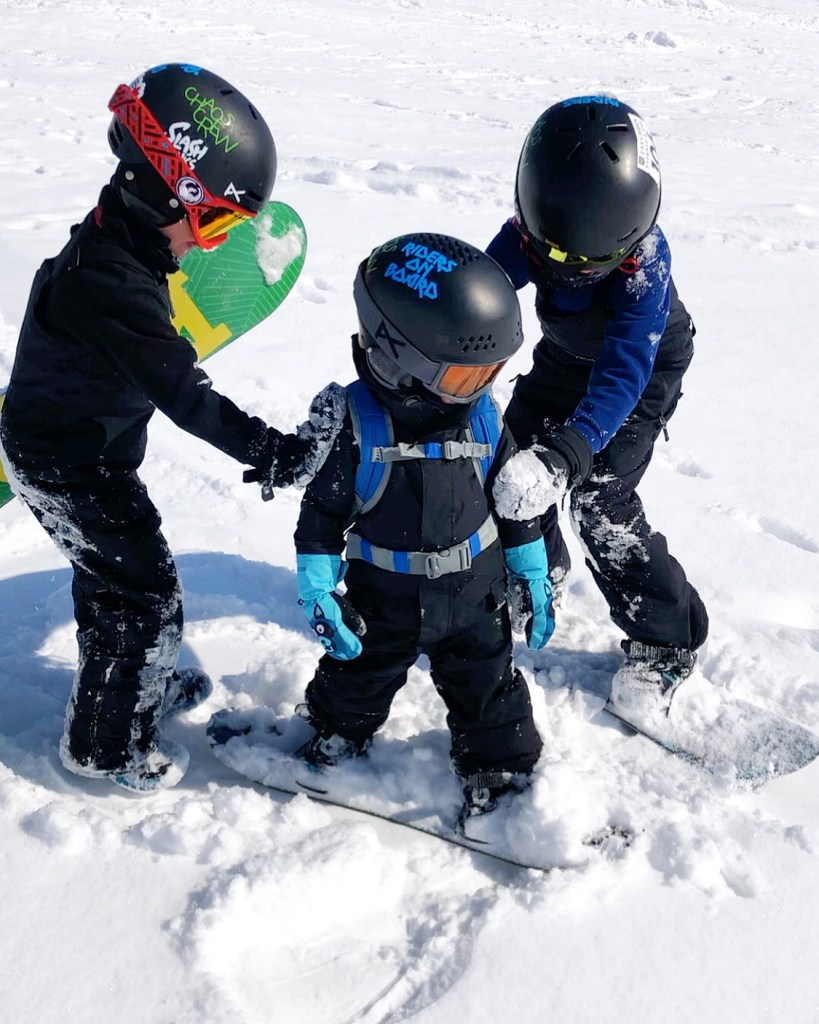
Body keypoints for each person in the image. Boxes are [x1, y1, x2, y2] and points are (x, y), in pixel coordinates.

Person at [0, 64, 344, 792]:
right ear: (165, 188)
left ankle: (128, 694)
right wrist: (273, 452)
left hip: (80, 454)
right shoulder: (111, 286)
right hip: (69, 466)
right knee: (143, 597)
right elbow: (185, 395)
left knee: (115, 583)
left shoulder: (116, 245)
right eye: (213, 220)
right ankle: (106, 746)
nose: (214, 245)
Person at [292, 232, 554, 821]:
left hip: (474, 598)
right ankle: (335, 733)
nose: (482, 389)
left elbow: (514, 499)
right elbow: (322, 517)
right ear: (398, 360)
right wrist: (317, 585)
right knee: (355, 677)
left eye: (491, 372)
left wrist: (531, 568)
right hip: (383, 599)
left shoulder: (483, 418)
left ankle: (501, 769)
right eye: (466, 376)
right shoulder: (355, 424)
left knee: (491, 691)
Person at [486, 95, 709, 721]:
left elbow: (622, 374)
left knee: (597, 496)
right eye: (542, 248)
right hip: (566, 357)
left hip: (640, 372)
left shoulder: (644, 269)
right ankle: (539, 572)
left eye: (575, 264)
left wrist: (570, 452)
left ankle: (667, 644)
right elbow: (484, 283)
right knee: (506, 462)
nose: (553, 265)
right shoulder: (539, 227)